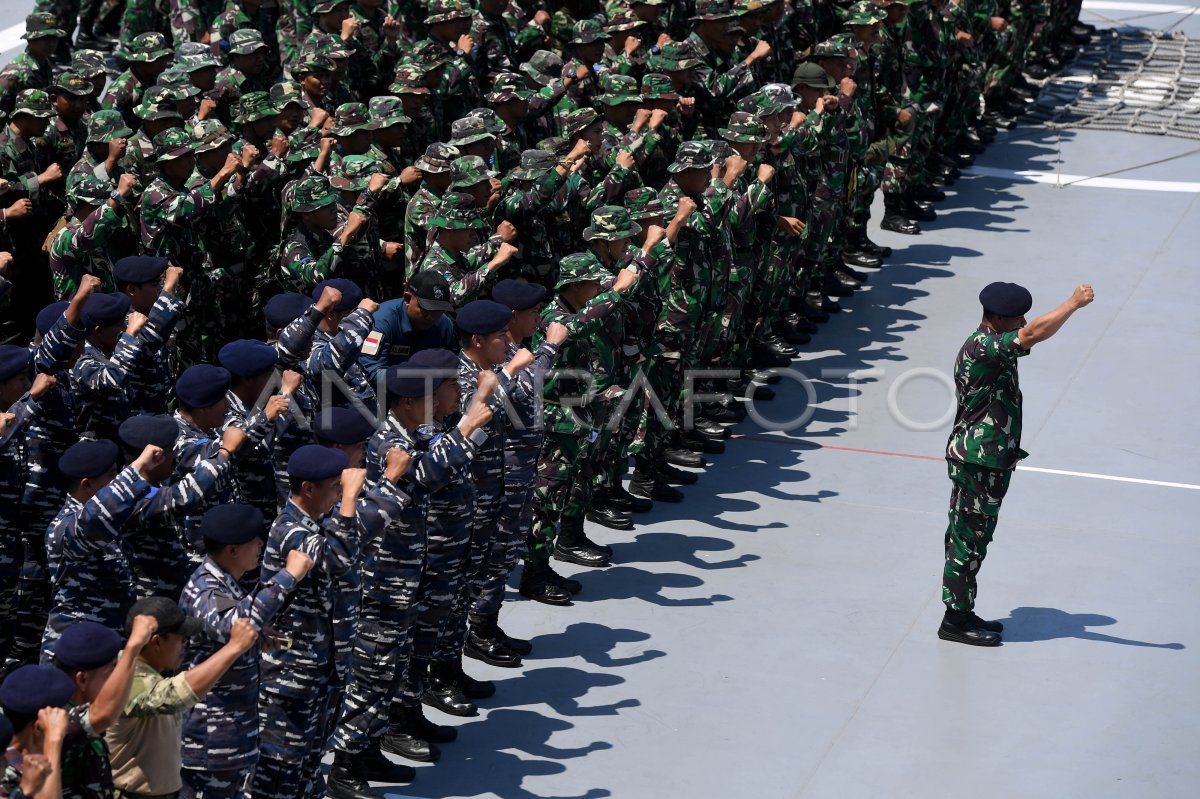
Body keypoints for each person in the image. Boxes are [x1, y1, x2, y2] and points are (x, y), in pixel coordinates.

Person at [939, 281, 1095, 646]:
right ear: (996, 319)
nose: (1022, 321)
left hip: (988, 460)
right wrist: (1072, 303)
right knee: (967, 540)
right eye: (1016, 317)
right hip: (977, 461)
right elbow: (1033, 334)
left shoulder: (991, 344)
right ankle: (954, 620)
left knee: (976, 538)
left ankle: (963, 609)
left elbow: (1026, 333)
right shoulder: (983, 347)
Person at [178, 503, 314, 799]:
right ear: (232, 550)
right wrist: (288, 577)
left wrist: (259, 634)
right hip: (211, 744)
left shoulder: (224, 583)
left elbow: (236, 627)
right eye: (254, 540)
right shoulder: (205, 591)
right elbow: (237, 622)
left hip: (232, 736)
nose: (261, 546)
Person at [106, 597, 260, 799]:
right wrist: (234, 647)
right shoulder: (126, 678)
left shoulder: (151, 671)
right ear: (157, 642)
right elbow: (174, 696)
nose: (185, 644)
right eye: (180, 638)